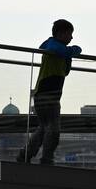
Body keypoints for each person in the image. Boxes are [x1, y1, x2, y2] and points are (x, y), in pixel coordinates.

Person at [19, 19, 81, 165]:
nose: (71, 38)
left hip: (45, 94)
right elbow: (62, 51)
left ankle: (25, 155)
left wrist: (69, 56)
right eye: (69, 34)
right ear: (60, 33)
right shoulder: (53, 46)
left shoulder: (53, 48)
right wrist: (73, 51)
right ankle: (46, 159)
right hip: (49, 95)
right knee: (53, 128)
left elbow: (65, 71)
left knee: (43, 127)